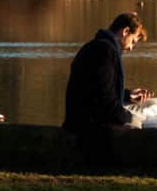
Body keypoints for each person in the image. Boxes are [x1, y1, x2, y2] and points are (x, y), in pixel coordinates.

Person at [63, 12, 152, 157]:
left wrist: (127, 95)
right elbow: (105, 103)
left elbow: (98, 88)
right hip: (90, 127)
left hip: (87, 119)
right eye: (133, 41)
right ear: (125, 32)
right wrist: (130, 118)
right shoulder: (105, 52)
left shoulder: (97, 46)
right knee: (143, 122)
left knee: (154, 103)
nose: (131, 48)